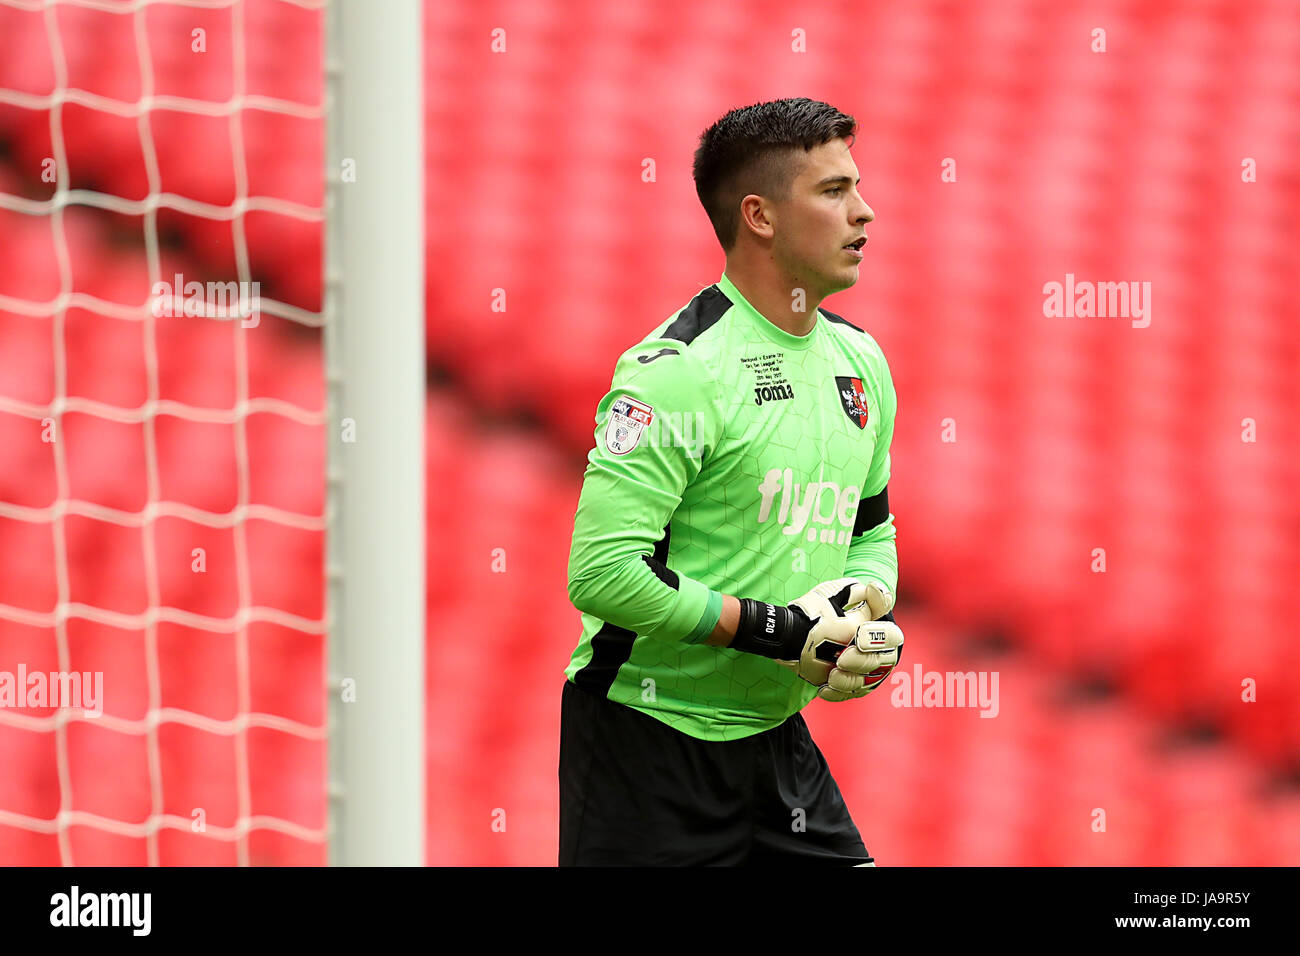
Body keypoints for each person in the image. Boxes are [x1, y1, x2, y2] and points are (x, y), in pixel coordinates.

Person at [561, 97, 904, 866]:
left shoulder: (862, 363)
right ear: (760, 215)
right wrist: (777, 631)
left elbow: (870, 531)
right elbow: (602, 575)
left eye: (857, 186)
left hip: (777, 749)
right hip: (646, 747)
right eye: (833, 191)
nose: (865, 211)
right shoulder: (677, 374)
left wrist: (866, 615)